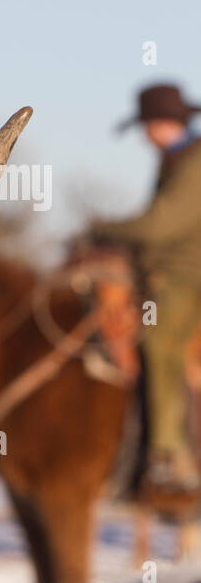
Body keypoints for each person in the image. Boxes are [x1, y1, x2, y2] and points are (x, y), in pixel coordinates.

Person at [93, 83, 201, 492]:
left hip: (187, 276)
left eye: (147, 125)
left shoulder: (194, 162)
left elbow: (159, 225)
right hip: (162, 273)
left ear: (162, 123)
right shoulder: (176, 159)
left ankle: (167, 454)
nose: (143, 136)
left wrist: (103, 227)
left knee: (157, 343)